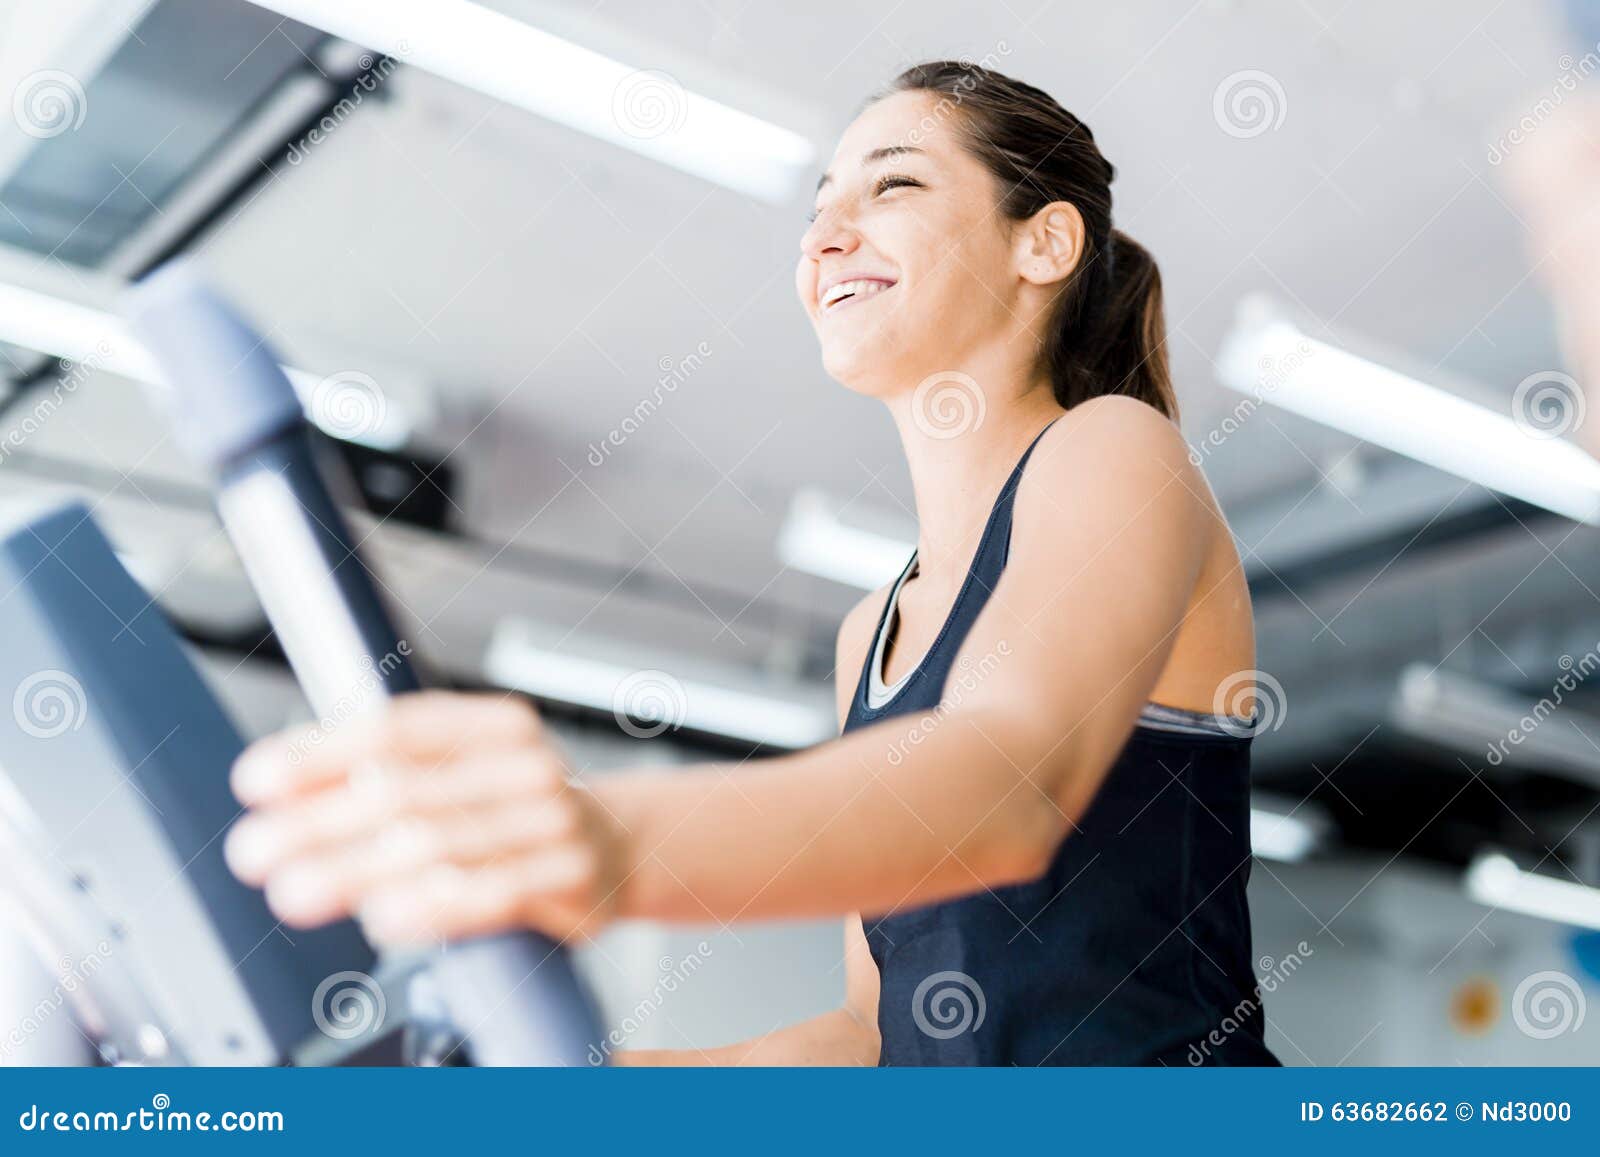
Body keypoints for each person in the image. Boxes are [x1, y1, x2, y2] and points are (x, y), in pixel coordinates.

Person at [223, 61, 1277, 1066]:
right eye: (818, 206)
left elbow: (1008, 785)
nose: (825, 234)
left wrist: (604, 840)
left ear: (1042, 242)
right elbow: (871, 1039)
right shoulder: (874, 632)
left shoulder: (1114, 447)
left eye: (893, 183)